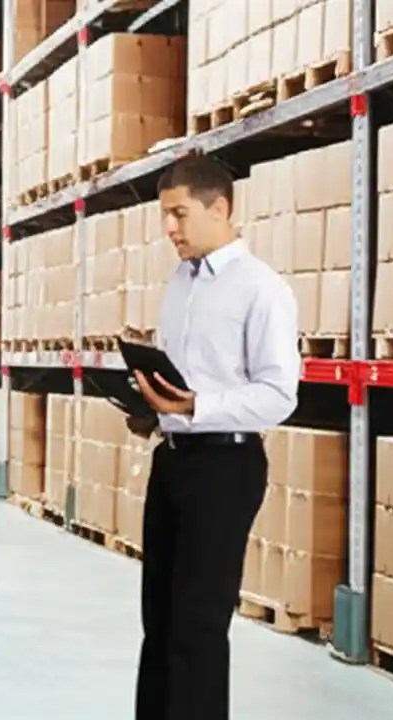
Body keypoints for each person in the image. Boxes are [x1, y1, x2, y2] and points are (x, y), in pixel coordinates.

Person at [128, 155, 301, 719]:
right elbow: (189, 379)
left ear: (219, 207)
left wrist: (199, 407)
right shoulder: (181, 282)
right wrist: (153, 409)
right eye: (164, 216)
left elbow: (279, 394)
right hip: (173, 459)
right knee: (159, 622)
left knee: (197, 629)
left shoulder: (262, 289)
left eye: (178, 214)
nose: (169, 228)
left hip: (225, 469)